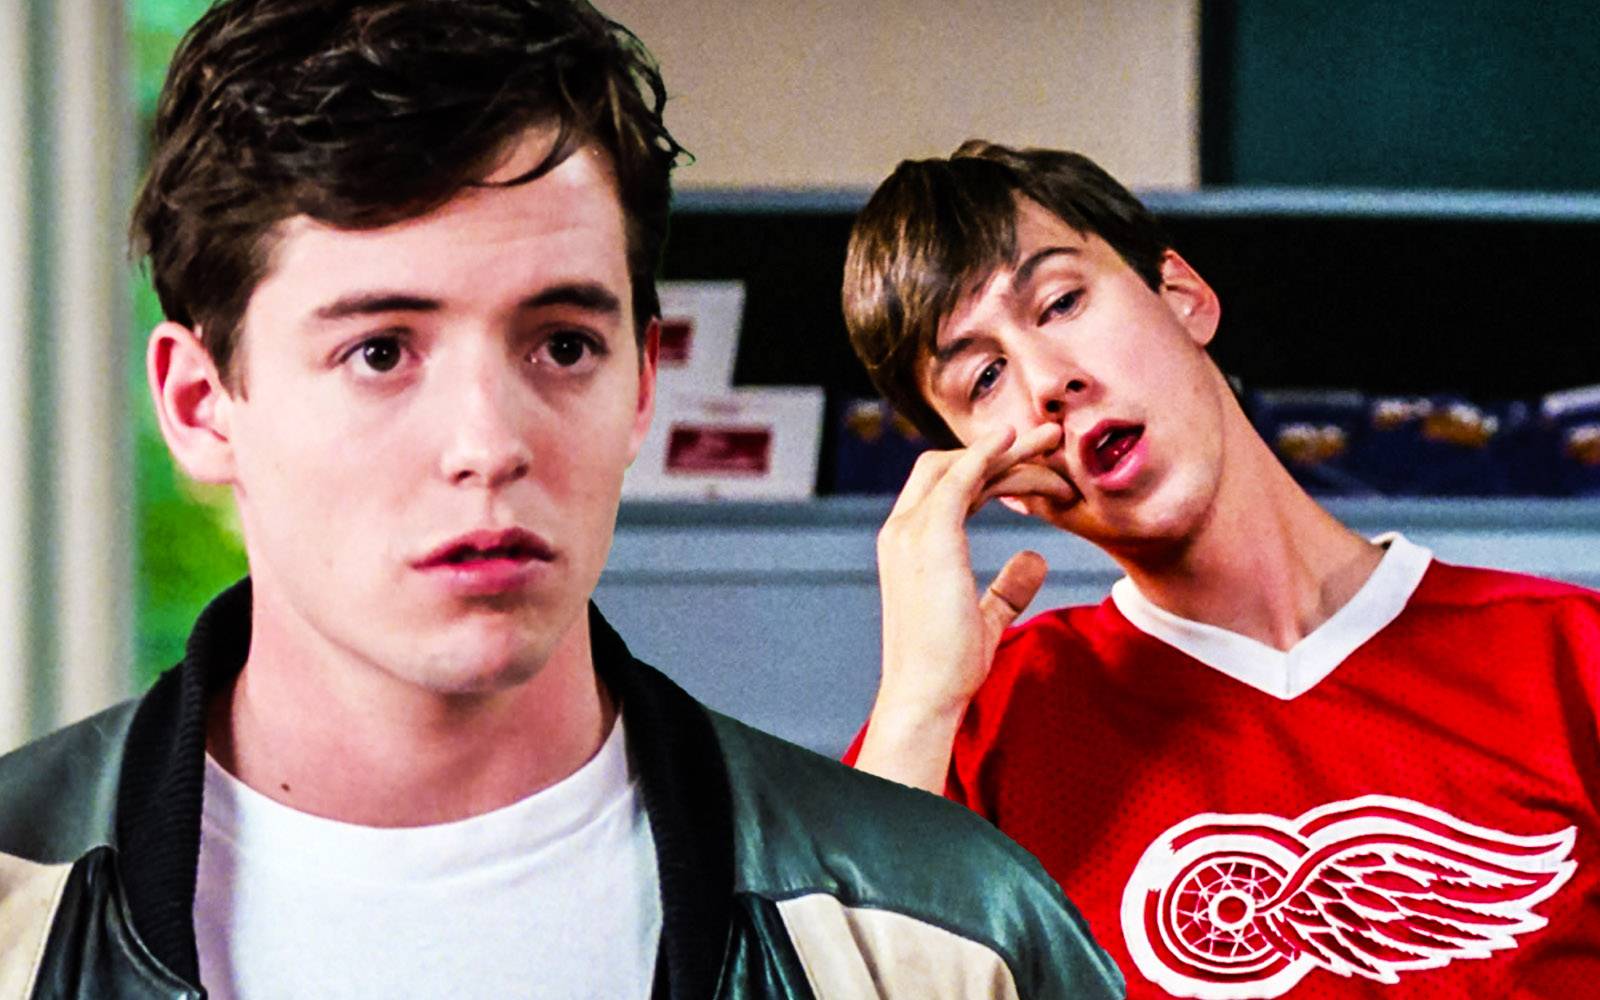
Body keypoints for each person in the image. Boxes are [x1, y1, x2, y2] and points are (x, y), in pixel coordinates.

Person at [0, 10, 1126, 998]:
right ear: (200, 406)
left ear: (640, 387)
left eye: (563, 345)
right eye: (381, 351)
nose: (488, 444)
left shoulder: (960, 940)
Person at [840, 140, 1600, 997]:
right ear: (993, 475)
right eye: (985, 379)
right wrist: (916, 705)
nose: (1047, 382)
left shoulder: (1573, 659)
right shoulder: (972, 733)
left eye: (1060, 302)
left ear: (1183, 297)